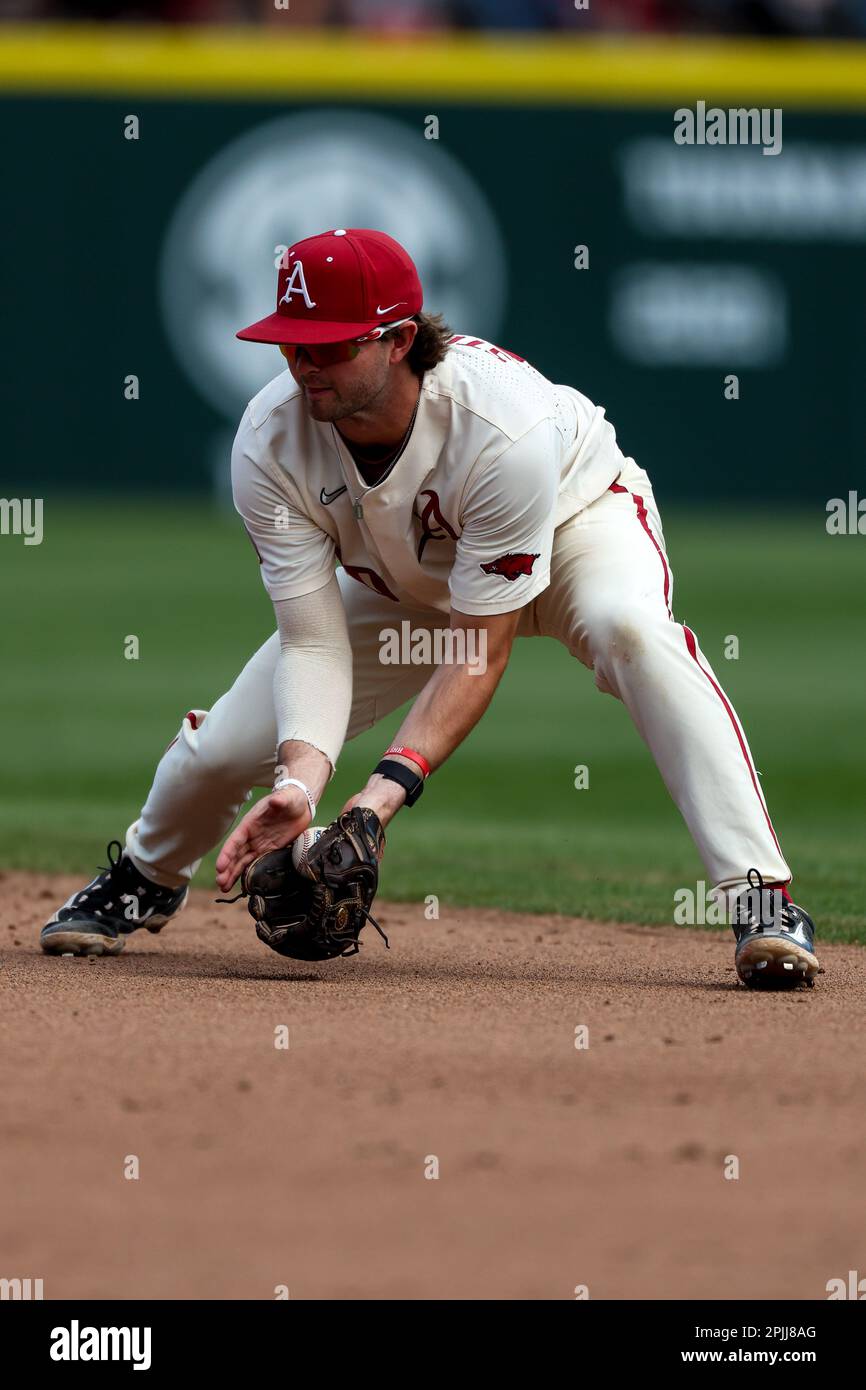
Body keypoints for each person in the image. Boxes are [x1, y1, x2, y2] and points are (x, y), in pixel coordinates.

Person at [41, 227, 818, 988]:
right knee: (223, 752)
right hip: (409, 585)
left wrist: (378, 801)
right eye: (290, 344)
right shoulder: (270, 442)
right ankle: (145, 875)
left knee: (633, 633)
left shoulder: (500, 428)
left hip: (578, 526)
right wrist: (303, 787)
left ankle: (762, 897)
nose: (304, 365)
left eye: (331, 345)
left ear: (399, 338)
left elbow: (478, 650)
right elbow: (312, 645)